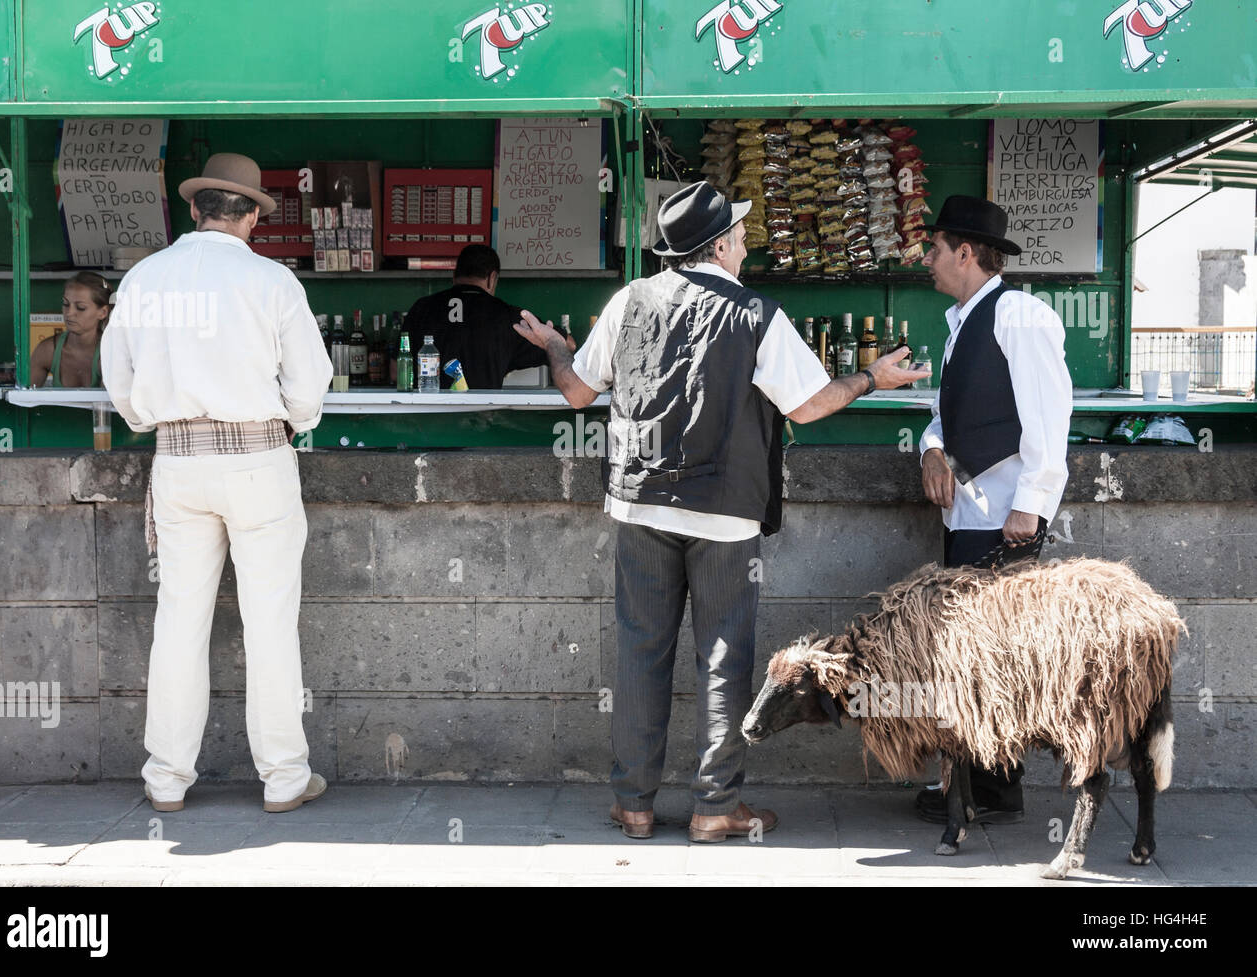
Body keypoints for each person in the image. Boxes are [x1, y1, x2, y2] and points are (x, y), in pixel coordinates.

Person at [514, 182, 928, 842]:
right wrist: (872, 378)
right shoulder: (757, 314)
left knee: (639, 650)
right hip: (725, 515)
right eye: (738, 235)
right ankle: (715, 805)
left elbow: (574, 391)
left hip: (640, 503)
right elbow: (809, 403)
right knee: (724, 659)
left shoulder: (628, 301)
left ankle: (634, 804)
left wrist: (558, 348)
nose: (744, 244)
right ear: (718, 246)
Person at [100, 152, 333, 815]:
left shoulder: (146, 278)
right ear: (253, 215)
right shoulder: (272, 282)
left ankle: (167, 779)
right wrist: (293, 417)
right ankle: (284, 778)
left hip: (177, 461)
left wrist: (155, 416)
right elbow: (309, 389)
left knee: (177, 621)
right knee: (269, 625)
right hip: (258, 457)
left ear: (195, 208)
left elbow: (121, 382)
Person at [915, 194, 1073, 824]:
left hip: (1006, 518)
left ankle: (997, 792)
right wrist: (930, 452)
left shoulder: (1022, 316)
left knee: (999, 657)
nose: (926, 260)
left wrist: (1031, 508)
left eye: (934, 248)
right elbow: (940, 418)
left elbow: (1049, 418)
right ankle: (974, 787)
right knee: (971, 654)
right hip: (968, 517)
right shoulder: (962, 323)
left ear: (964, 252)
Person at [403, 244, 573, 390]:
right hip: (482, 419)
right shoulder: (507, 316)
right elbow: (569, 344)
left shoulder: (422, 308)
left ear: (454, 276)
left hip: (427, 417)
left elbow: (397, 371)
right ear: (492, 278)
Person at [30, 272, 111, 387]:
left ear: (103, 312)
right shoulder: (47, 350)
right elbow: (23, 399)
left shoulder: (110, 352)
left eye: (80, 307)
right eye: (65, 304)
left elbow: (108, 404)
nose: (69, 313)